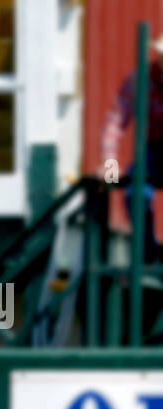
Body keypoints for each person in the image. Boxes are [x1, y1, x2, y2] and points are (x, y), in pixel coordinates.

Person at [101, 31, 163, 257]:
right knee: (135, 191)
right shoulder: (139, 80)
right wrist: (110, 166)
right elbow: (115, 123)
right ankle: (148, 255)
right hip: (154, 150)